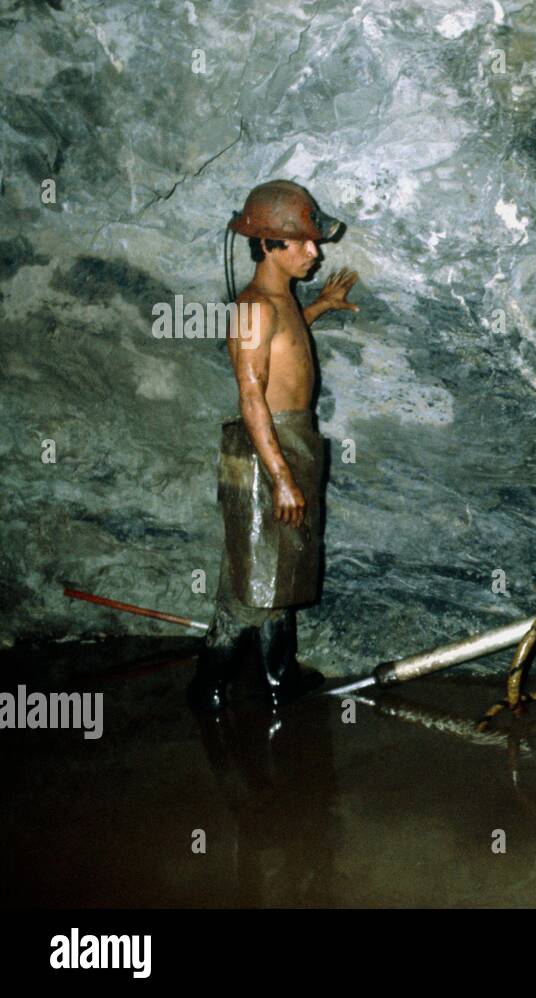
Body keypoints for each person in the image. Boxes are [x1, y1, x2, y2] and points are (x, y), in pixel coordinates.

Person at [188, 180, 359, 711]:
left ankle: (280, 676)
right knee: (251, 578)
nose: (315, 251)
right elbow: (251, 395)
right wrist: (281, 476)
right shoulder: (254, 307)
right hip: (271, 447)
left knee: (275, 561)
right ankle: (210, 688)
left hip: (292, 441)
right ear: (267, 246)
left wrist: (323, 307)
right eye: (302, 243)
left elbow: (288, 341)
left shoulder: (280, 300)